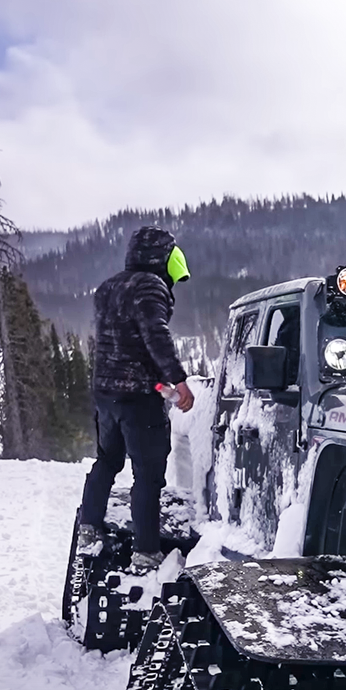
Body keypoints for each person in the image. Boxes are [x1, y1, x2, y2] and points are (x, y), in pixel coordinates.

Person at [75, 226, 195, 573]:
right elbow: (154, 334)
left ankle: (90, 526)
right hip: (138, 397)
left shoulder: (108, 286)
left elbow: (121, 340)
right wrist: (178, 379)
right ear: (162, 258)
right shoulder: (150, 285)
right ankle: (145, 551)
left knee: (107, 462)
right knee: (147, 474)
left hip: (106, 393)